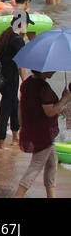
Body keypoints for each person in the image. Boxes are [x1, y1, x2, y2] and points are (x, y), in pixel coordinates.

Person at [14, 69, 71, 198]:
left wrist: (22, 127)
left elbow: (21, 107)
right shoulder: (43, 88)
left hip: (33, 131)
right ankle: (18, 195)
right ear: (44, 69)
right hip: (42, 134)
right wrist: (65, 99)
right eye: (52, 68)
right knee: (35, 167)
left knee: (52, 163)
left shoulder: (27, 83)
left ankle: (52, 195)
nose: (55, 71)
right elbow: (50, 112)